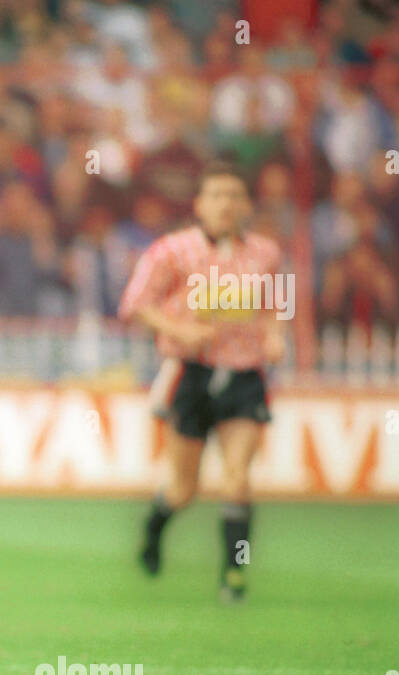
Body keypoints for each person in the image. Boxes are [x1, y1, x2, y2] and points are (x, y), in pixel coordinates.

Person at [119, 161, 286, 602]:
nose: (226, 204)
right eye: (217, 195)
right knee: (184, 489)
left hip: (245, 374)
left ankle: (235, 573)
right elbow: (137, 303)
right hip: (191, 374)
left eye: (234, 195)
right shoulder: (172, 251)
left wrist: (275, 336)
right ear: (199, 204)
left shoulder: (265, 254)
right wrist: (177, 331)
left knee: (237, 479)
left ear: (246, 204)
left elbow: (277, 305)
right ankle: (154, 528)